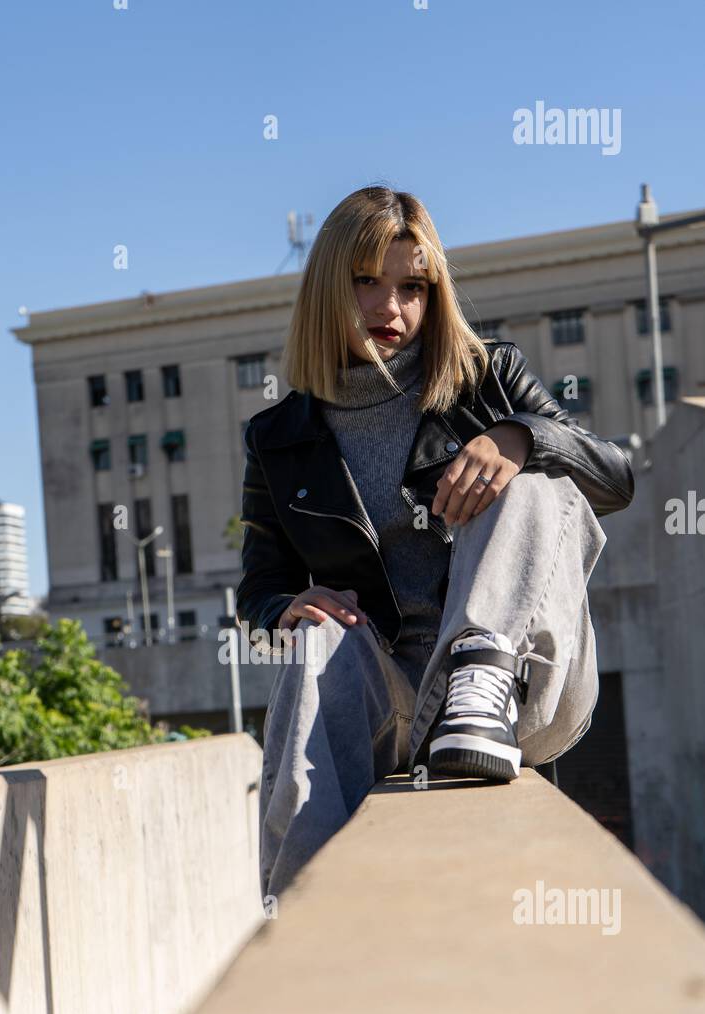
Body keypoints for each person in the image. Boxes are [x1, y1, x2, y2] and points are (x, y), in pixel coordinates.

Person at [236, 185, 634, 902]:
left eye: (412, 287)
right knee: (318, 643)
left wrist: (520, 436)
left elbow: (616, 476)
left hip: (515, 689)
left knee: (535, 480)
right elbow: (258, 588)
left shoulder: (487, 378)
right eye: (367, 281)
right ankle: (299, 906)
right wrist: (286, 608)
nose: (391, 309)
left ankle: (476, 683)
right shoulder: (277, 438)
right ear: (330, 284)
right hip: (388, 705)